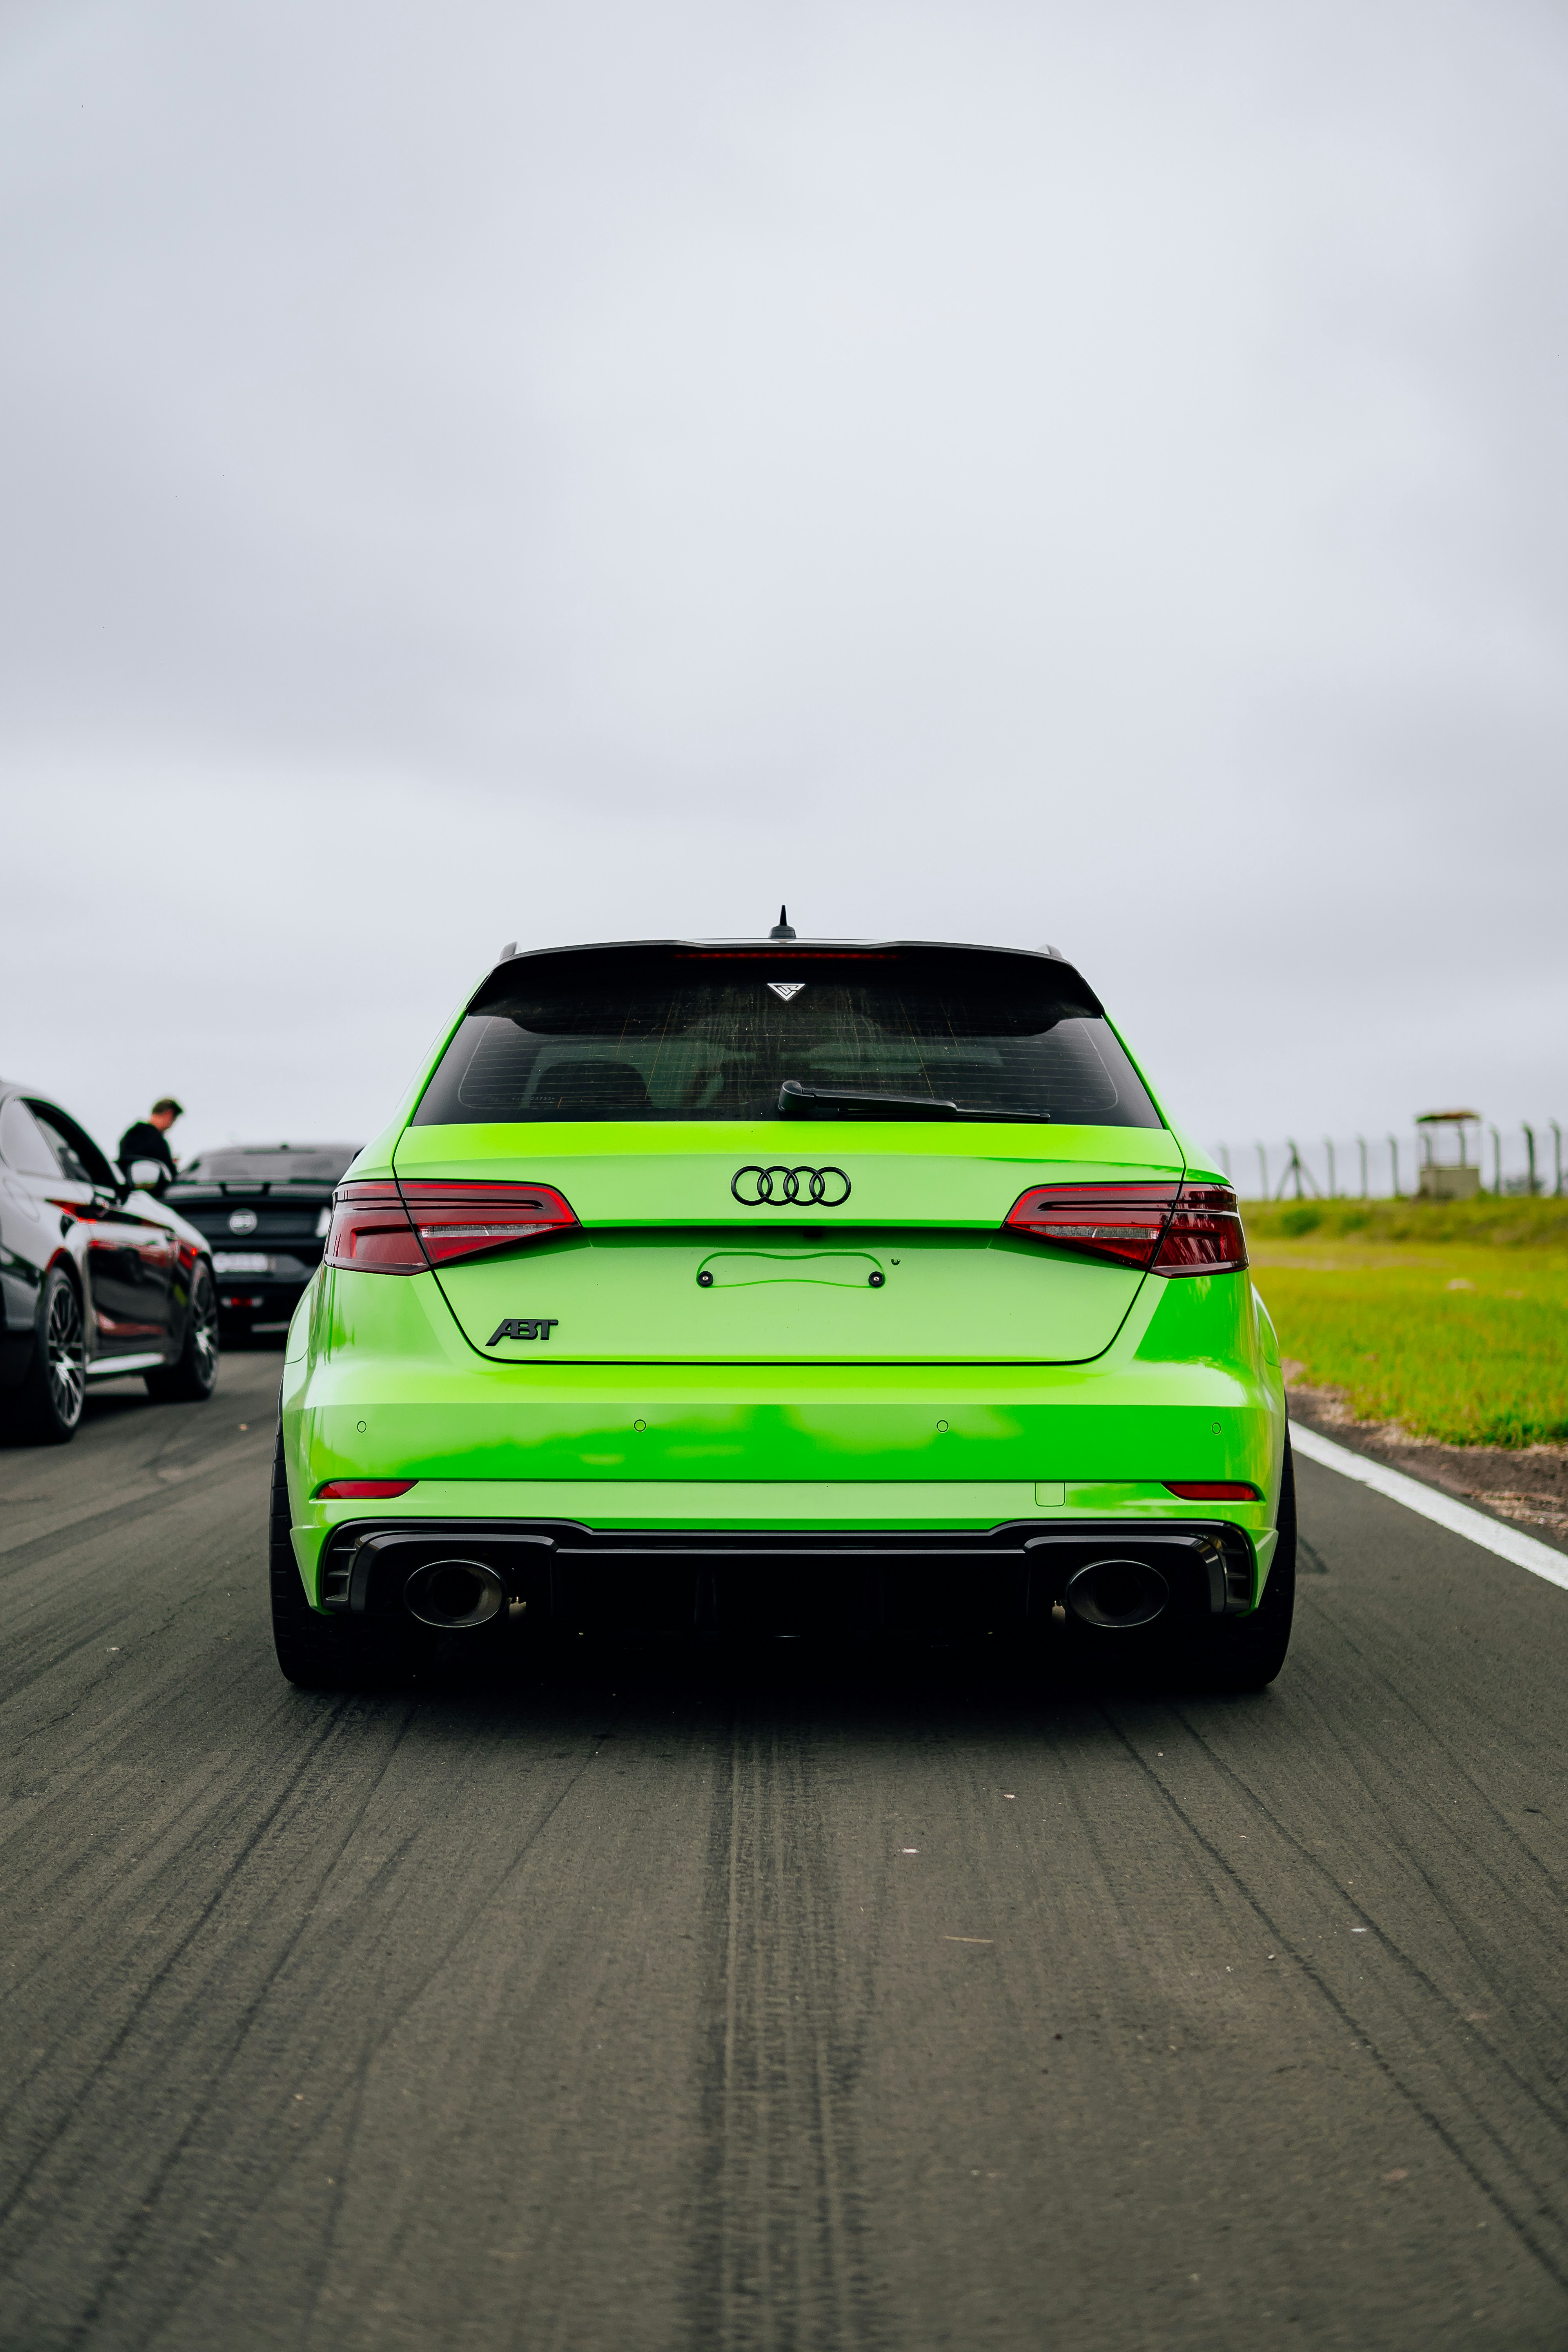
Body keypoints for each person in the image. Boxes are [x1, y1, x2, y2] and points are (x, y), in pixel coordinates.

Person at [118, 1097, 183, 1190]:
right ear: (169, 1114)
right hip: (155, 1194)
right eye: (174, 1121)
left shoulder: (129, 1135)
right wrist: (171, 1166)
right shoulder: (157, 1141)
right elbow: (171, 1177)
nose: (170, 1127)